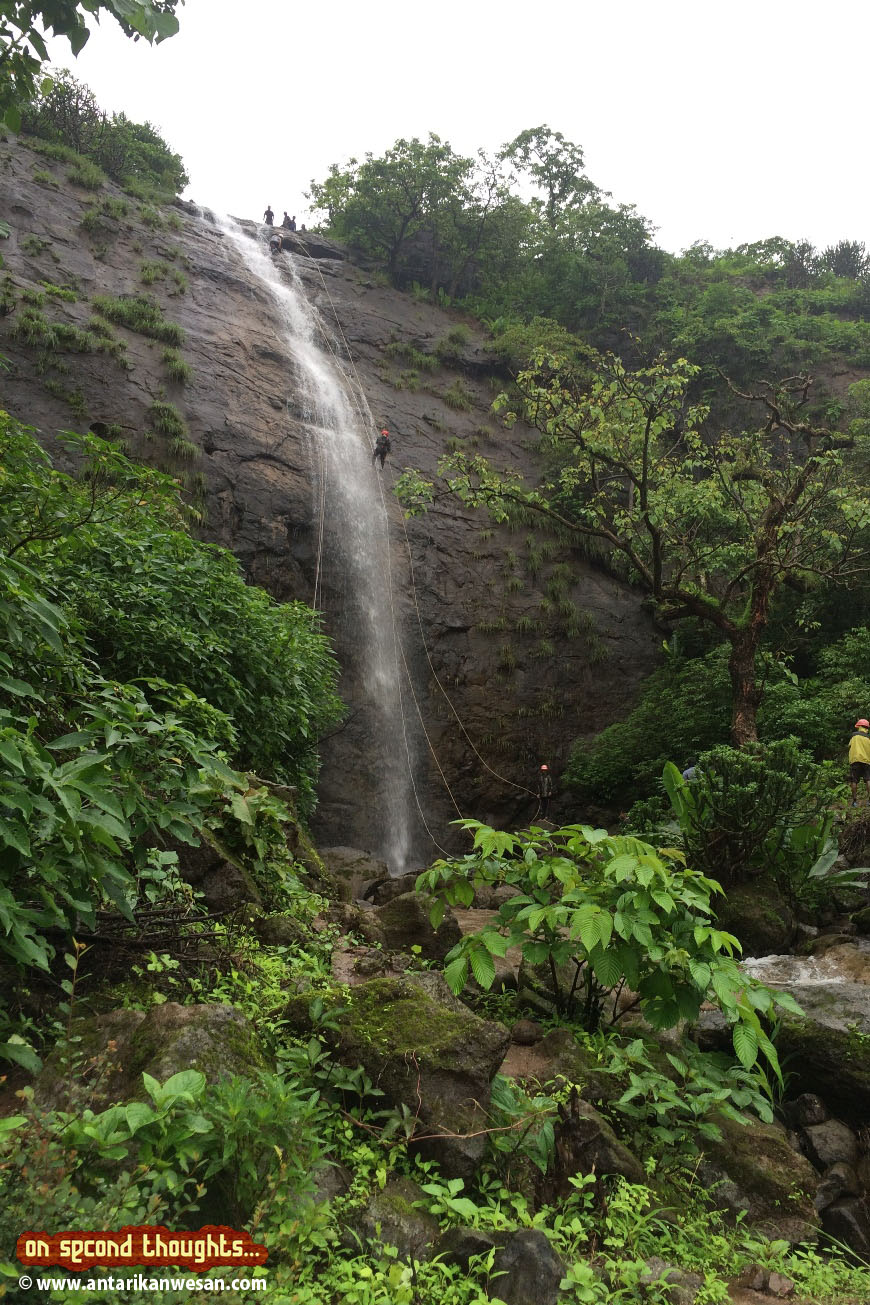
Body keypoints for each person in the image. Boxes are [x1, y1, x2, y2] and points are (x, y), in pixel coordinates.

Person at [849, 719, 870, 806]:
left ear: (859, 726)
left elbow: (849, 745)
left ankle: (854, 801)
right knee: (868, 779)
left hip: (855, 760)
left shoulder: (854, 736)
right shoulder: (868, 737)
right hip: (866, 761)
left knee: (854, 780)